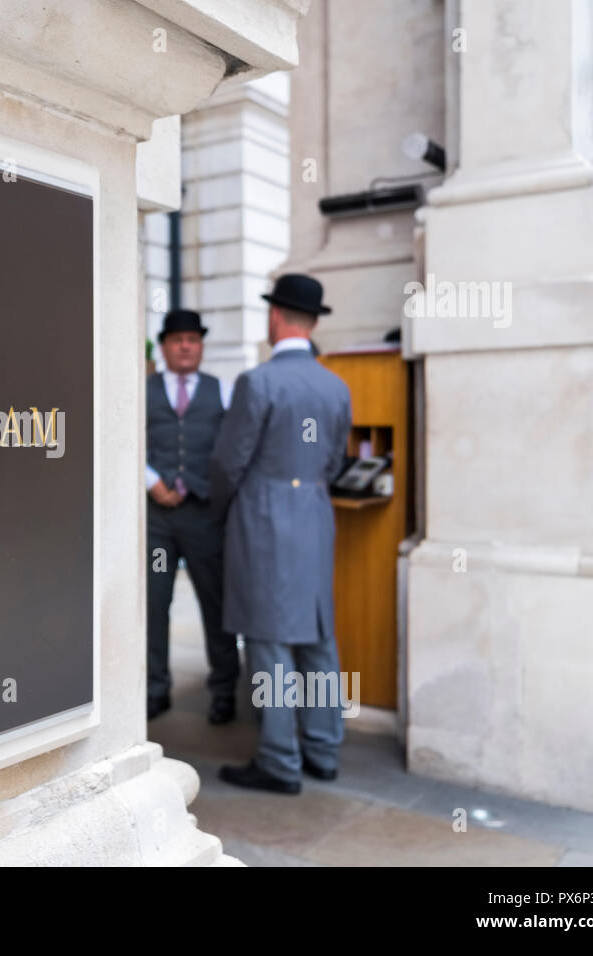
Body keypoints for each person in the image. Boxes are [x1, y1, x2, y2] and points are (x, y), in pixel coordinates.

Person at [209, 274, 352, 793]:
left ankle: (278, 760)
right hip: (314, 512)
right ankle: (322, 749)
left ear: (275, 318)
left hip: (264, 515)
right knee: (317, 636)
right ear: (312, 322)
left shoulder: (258, 382)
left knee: (269, 641)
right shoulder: (337, 386)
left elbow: (228, 464)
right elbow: (335, 461)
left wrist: (223, 510)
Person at [145, 310, 240, 723]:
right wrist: (151, 481)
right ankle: (154, 688)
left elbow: (232, 448)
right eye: (178, 339)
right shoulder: (143, 390)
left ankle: (224, 691)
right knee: (153, 604)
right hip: (156, 518)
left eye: (193, 339)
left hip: (203, 514)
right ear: (164, 346)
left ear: (201, 347)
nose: (186, 346)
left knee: (215, 603)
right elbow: (123, 440)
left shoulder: (221, 390)